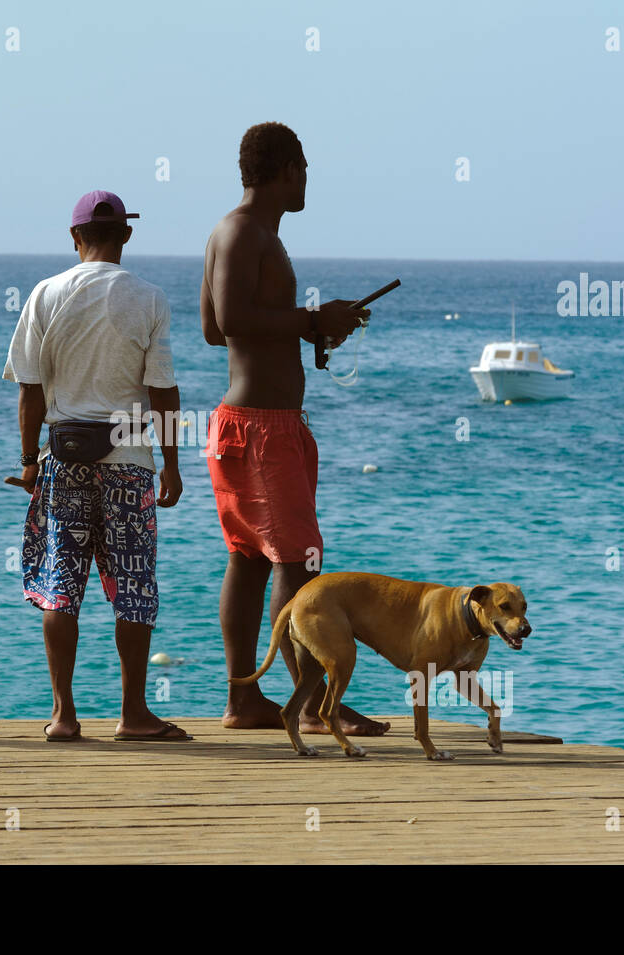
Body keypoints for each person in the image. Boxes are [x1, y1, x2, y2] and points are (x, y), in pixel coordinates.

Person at [200, 122, 390, 737]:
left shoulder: (240, 234)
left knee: (252, 559)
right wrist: (312, 319)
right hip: (262, 431)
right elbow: (228, 319)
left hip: (256, 426)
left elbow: (215, 328)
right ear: (285, 169)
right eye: (303, 166)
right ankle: (310, 703)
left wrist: (311, 326)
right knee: (298, 561)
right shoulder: (244, 232)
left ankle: (243, 700)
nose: (308, 178)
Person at [3, 190, 189, 742]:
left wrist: (28, 460)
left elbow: (30, 391)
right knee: (134, 585)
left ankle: (63, 715)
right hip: (130, 461)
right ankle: (133, 715)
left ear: (75, 237)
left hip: (63, 457)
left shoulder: (44, 293)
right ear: (126, 235)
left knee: (61, 583)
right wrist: (172, 466)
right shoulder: (149, 298)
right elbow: (164, 392)